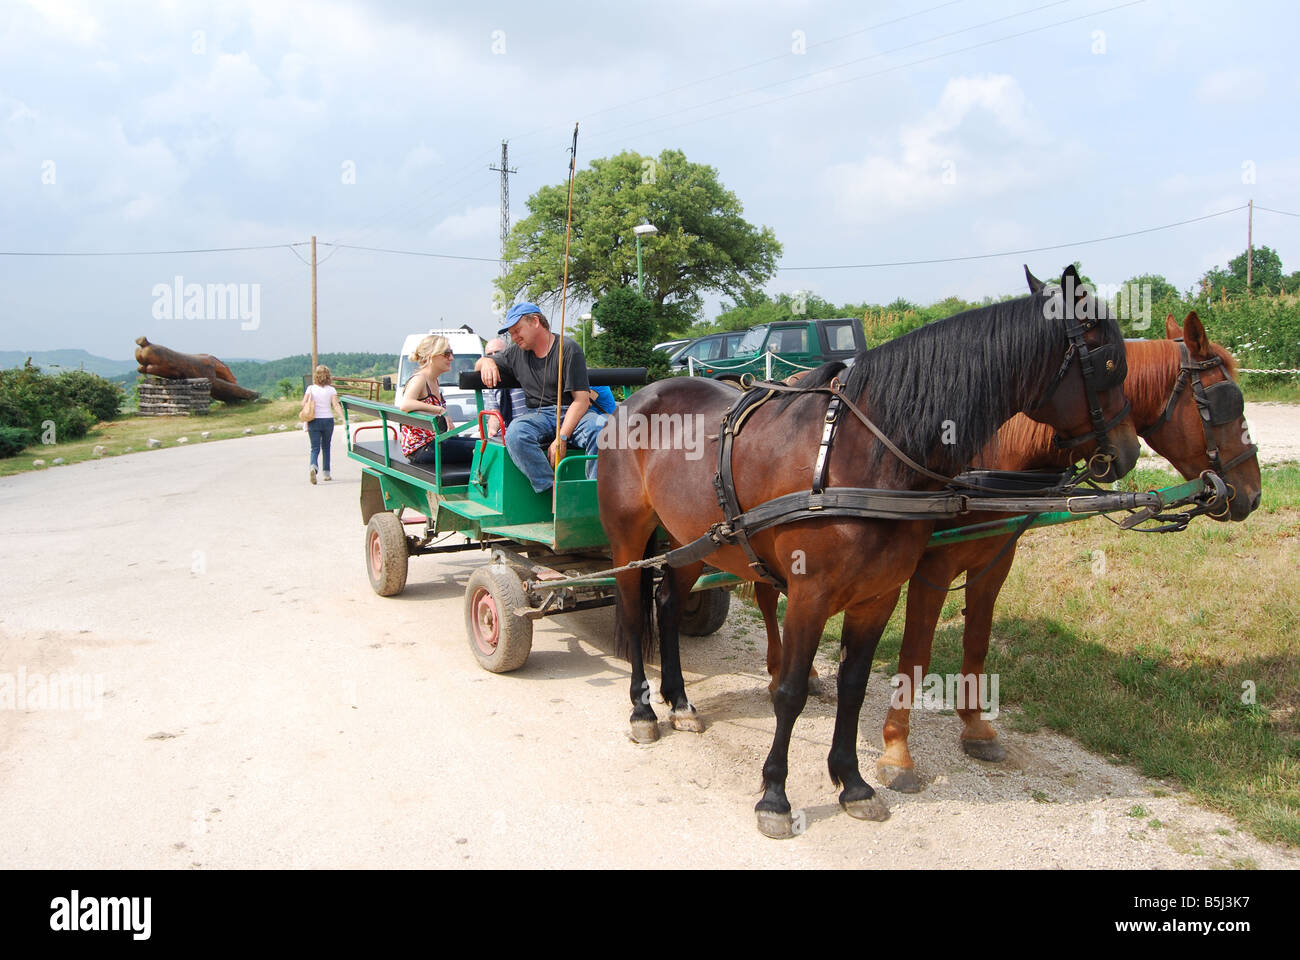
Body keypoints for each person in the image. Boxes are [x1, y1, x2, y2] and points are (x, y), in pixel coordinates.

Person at [475, 302, 604, 493]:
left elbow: (581, 400)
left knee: (603, 427)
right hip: (539, 415)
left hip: (574, 413)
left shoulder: (568, 348)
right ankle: (554, 491)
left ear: (535, 321)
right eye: (511, 333)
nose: (514, 337)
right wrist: (485, 362)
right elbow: (479, 364)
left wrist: (562, 437)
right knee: (515, 434)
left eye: (517, 330)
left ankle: (594, 492)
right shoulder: (515, 353)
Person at [398, 335, 477, 469]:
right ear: (431, 356)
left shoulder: (434, 381)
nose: (451, 358)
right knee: (483, 449)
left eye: (451, 353)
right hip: (422, 448)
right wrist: (440, 410)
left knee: (484, 444)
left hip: (436, 441)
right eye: (446, 354)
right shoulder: (420, 379)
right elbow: (405, 404)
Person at [480, 337, 527, 440]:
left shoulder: (523, 374)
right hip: (507, 433)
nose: (493, 358)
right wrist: (492, 430)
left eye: (497, 353)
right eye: (489, 355)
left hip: (526, 431)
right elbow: (495, 414)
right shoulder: (493, 384)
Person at [304, 364, 344, 484]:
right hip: (328, 420)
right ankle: (326, 473)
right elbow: (336, 405)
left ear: (316, 376)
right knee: (326, 446)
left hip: (313, 420)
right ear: (328, 376)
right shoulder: (331, 390)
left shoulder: (310, 389)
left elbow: (303, 403)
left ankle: (313, 466)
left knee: (315, 447)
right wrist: (343, 418)